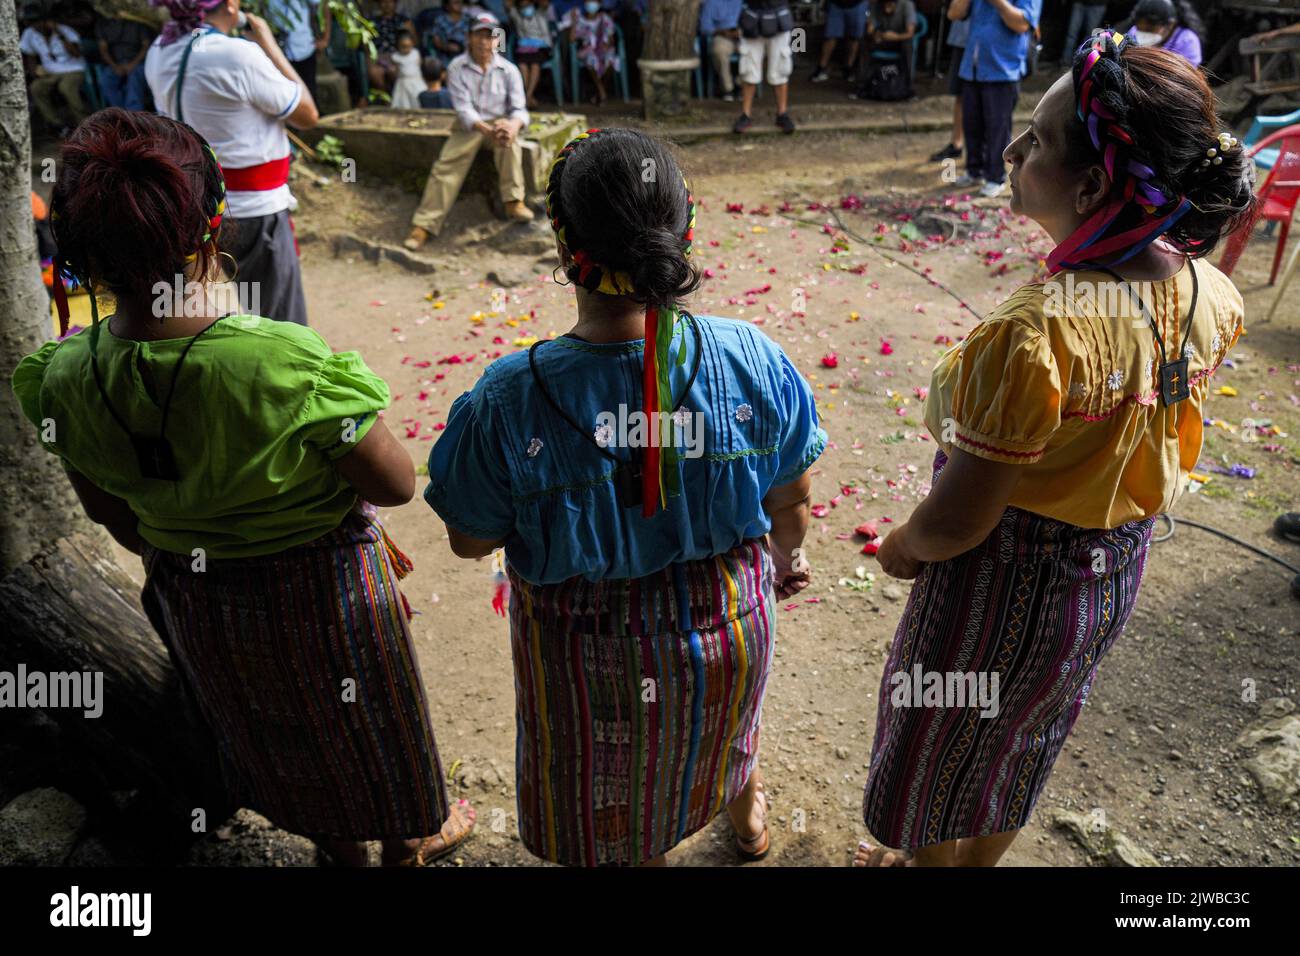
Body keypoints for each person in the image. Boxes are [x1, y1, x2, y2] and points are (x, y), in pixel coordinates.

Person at [12, 107, 477, 868]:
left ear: (80, 252)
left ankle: (339, 850)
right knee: (375, 725)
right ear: (213, 225)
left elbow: (122, 526)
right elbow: (394, 485)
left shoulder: (61, 379)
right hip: (327, 595)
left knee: (271, 725)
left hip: (198, 603)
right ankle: (406, 836)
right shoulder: (283, 362)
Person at [854, 34, 1253, 867]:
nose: (1010, 149)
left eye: (1034, 140)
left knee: (943, 735)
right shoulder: (1207, 290)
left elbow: (962, 517)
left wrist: (902, 545)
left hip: (1001, 581)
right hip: (1108, 579)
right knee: (1026, 732)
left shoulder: (1037, 332)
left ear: (1092, 184)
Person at [425, 127, 826, 867]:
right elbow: (792, 498)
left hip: (588, 660)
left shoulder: (511, 400)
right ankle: (747, 821)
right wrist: (785, 556)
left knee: (613, 799)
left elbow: (470, 539)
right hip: (728, 628)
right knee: (727, 729)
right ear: (683, 234)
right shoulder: (753, 359)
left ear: (562, 245)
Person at [146, 0, 318, 327]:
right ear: (230, 4)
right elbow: (307, 114)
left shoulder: (159, 49)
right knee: (280, 319)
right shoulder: (236, 54)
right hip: (255, 211)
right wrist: (267, 43)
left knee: (240, 304)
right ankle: (281, 373)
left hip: (202, 206)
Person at [404, 13, 533, 249]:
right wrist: (486, 129)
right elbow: (463, 110)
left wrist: (511, 126)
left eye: (490, 36)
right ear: (469, 38)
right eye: (479, 36)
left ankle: (513, 201)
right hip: (470, 126)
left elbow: (520, 110)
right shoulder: (456, 67)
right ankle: (424, 224)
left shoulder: (509, 70)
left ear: (497, 40)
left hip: (499, 124)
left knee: (509, 141)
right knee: (447, 165)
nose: (485, 41)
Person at [948, 0, 1040, 199]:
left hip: (1003, 69)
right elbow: (954, 13)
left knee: (997, 128)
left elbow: (1022, 24)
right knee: (971, 123)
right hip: (972, 67)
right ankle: (974, 171)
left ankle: (995, 177)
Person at [19, 1, 89, 134]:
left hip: (73, 69)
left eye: (38, 21)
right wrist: (35, 73)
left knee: (66, 87)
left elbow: (76, 53)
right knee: (36, 88)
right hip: (51, 72)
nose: (36, 25)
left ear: (46, 20)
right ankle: (58, 125)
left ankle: (86, 124)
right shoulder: (30, 33)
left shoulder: (64, 30)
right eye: (31, 22)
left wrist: (59, 34)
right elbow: (30, 55)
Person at [734, 0, 795, 134]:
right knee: (749, 70)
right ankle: (745, 115)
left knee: (780, 69)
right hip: (753, 17)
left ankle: (782, 113)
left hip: (779, 16)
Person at [931, 5, 970, 162]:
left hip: (993, 45)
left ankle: (987, 153)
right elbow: (953, 12)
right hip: (963, 39)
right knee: (960, 95)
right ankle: (956, 143)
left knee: (989, 99)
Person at [855, 0, 917, 99]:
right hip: (883, 37)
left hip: (899, 39)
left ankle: (908, 87)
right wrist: (877, 35)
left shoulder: (906, 5)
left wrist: (896, 37)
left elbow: (910, 32)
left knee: (908, 45)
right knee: (864, 42)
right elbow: (870, 29)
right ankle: (862, 85)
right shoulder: (876, 5)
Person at [561, 1, 619, 106]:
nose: (592, 4)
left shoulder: (605, 18)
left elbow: (611, 39)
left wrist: (606, 45)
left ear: (599, 4)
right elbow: (572, 39)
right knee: (591, 59)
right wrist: (574, 22)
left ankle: (599, 93)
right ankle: (602, 93)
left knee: (611, 60)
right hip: (588, 50)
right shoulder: (580, 20)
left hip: (603, 49)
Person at [267, 0, 326, 100]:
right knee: (288, 94)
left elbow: (323, 6)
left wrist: (325, 38)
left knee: (310, 91)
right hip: (281, 53)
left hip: (305, 48)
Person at [94, 12, 154, 111]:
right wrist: (115, 66)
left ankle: (135, 113)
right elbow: (103, 50)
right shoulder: (103, 24)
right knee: (105, 79)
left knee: (135, 78)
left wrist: (133, 64)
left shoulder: (138, 23)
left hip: (138, 62)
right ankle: (120, 112)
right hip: (116, 63)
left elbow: (146, 46)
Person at [1126, 0, 1203, 68]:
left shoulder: (1187, 41)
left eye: (1150, 29)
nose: (1143, 34)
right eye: (1139, 28)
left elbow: (1185, 75)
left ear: (1170, 25)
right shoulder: (1133, 31)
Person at [509, 0, 554, 109]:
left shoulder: (541, 13)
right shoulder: (517, 16)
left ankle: (527, 96)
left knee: (535, 64)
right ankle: (528, 97)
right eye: (522, 6)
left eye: (528, 5)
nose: (526, 8)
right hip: (524, 48)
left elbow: (545, 3)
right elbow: (508, 4)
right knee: (523, 65)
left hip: (541, 47)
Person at [814, 0, 870, 84]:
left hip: (858, 3)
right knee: (830, 36)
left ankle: (848, 69)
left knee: (854, 38)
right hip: (836, 4)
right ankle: (821, 68)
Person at [699, 0, 743, 102]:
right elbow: (705, 27)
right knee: (719, 51)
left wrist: (742, 31)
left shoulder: (741, 2)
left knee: (752, 51)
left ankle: (740, 84)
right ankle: (728, 89)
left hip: (742, 36)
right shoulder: (711, 3)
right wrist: (722, 32)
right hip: (722, 36)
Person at [368, 0, 415, 94]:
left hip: (398, 56)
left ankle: (398, 97)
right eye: (383, 2)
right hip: (378, 57)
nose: (387, 5)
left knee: (394, 71)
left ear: (395, 3)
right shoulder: (372, 22)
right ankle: (386, 100)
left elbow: (412, 41)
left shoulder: (404, 21)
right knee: (376, 74)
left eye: (390, 2)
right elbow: (367, 44)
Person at [389, 29, 426, 107]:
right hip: (403, 82)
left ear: (412, 44)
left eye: (408, 46)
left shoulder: (416, 53)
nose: (405, 49)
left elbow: (420, 65)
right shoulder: (395, 57)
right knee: (403, 102)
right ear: (398, 46)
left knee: (417, 99)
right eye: (403, 47)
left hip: (416, 80)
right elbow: (396, 70)